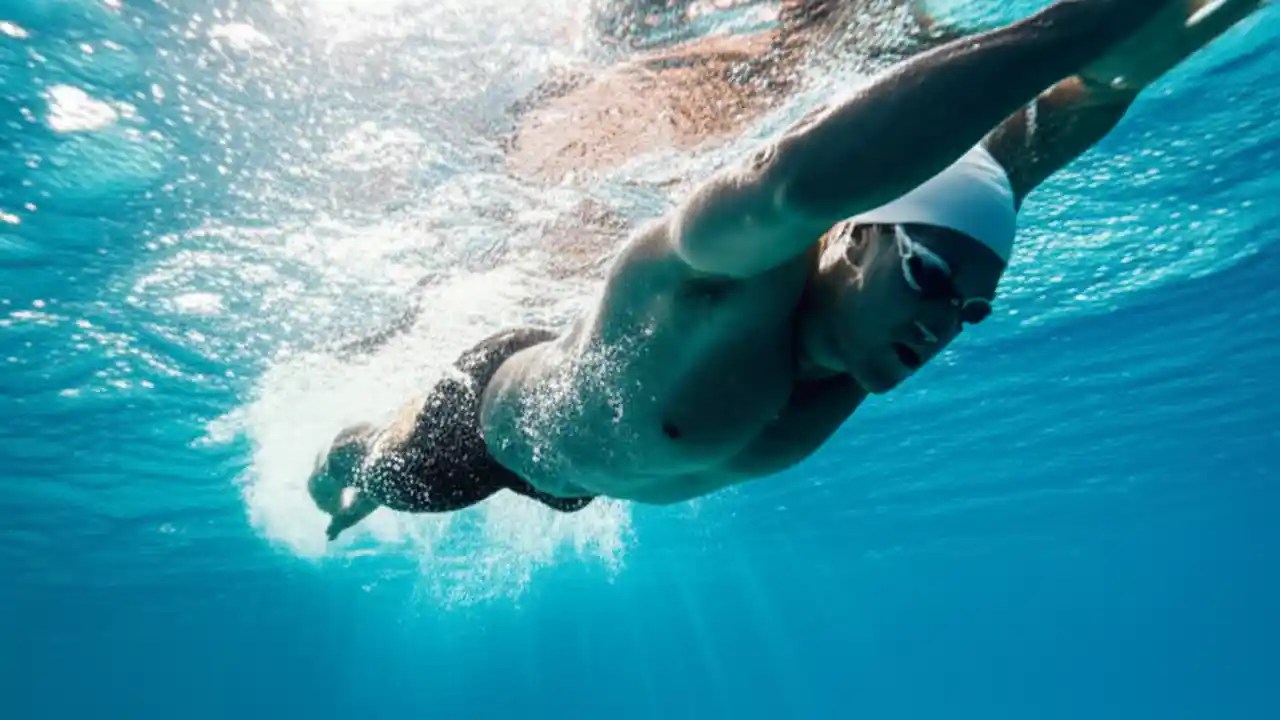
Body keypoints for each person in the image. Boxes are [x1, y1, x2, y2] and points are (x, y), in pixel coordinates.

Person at [310, 0, 1266, 540]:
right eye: (933, 280)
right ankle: (339, 457)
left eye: (970, 312)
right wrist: (1082, 24)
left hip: (585, 476)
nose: (943, 326)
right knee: (357, 483)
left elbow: (1103, 89)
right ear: (853, 237)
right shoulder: (724, 276)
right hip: (485, 431)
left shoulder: (888, 302)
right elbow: (791, 184)